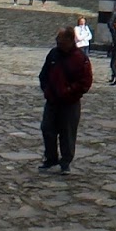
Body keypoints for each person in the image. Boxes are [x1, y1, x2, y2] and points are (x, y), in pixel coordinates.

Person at [38, 27, 93, 173]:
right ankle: (50, 158)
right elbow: (44, 74)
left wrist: (70, 91)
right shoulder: (53, 54)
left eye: (60, 39)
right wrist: (47, 90)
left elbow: (85, 82)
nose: (58, 41)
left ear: (69, 40)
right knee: (47, 128)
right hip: (52, 101)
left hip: (70, 103)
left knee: (67, 132)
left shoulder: (80, 59)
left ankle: (65, 162)